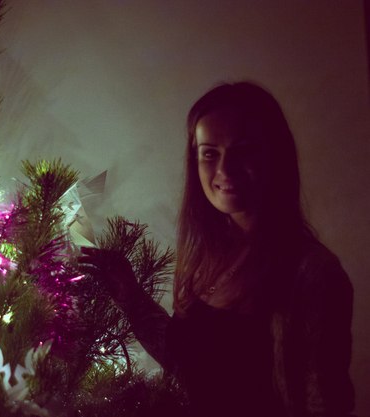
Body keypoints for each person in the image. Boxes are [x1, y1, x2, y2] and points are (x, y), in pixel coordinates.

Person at [79, 82, 355, 417]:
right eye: (210, 153)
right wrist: (131, 296)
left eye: (244, 150)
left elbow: (324, 405)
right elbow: (187, 362)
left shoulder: (312, 273)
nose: (224, 170)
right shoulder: (207, 255)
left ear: (275, 156)